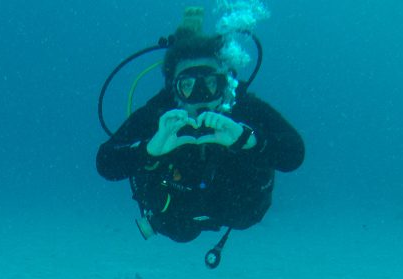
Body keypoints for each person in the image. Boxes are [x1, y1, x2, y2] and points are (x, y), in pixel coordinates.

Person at [96, 30, 304, 248]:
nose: (200, 96)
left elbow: (295, 153)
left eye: (210, 83)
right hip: (177, 214)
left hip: (238, 205)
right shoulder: (159, 113)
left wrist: (249, 141)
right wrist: (148, 151)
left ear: (225, 84)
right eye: (187, 85)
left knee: (241, 215)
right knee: (178, 230)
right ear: (173, 89)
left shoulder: (243, 107)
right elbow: (105, 162)